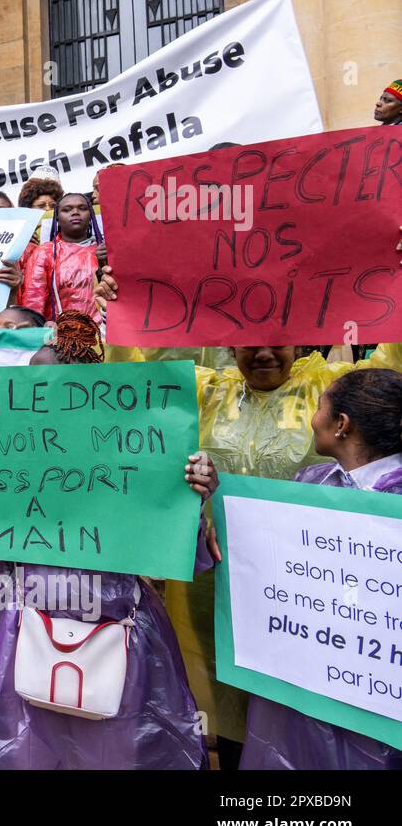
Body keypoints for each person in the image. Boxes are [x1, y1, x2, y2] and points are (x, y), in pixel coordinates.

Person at [99, 266, 402, 766]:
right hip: (211, 578)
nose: (263, 353)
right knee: (220, 687)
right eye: (247, 344)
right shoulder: (206, 391)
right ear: (228, 347)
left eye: (277, 342)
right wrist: (125, 308)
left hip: (311, 583)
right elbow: (134, 384)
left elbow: (392, 369)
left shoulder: (328, 387)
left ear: (300, 343)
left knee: (301, 694)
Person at [0, 312, 215, 769]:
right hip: (18, 623)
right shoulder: (0, 450)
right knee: (22, 741)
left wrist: (190, 493)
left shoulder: (133, 452)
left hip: (114, 622)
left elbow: (182, 553)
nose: (46, 398)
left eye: (61, 387)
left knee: (111, 739)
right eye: (37, 384)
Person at [239, 369, 402, 769]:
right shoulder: (309, 483)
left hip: (374, 703)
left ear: (341, 424)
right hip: (301, 692)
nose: (313, 418)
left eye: (319, 407)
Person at [20, 192, 104, 323]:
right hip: (59, 337)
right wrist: (35, 335)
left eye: (82, 208)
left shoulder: (104, 250)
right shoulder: (45, 252)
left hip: (103, 335)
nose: (75, 212)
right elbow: (34, 300)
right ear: (57, 217)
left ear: (91, 215)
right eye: (67, 209)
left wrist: (105, 262)